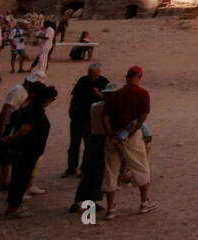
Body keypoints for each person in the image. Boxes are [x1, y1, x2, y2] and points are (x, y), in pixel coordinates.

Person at [102, 66, 157, 218]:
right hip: (131, 135)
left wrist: (111, 134)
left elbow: (105, 117)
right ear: (139, 76)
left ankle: (110, 208)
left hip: (114, 134)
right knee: (140, 166)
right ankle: (144, 202)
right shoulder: (142, 93)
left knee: (111, 170)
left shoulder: (114, 95)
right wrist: (131, 133)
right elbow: (143, 116)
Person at [2, 86, 58, 218]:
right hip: (26, 151)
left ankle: (14, 205)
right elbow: (23, 131)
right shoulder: (36, 111)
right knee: (20, 180)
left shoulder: (30, 107)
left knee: (19, 178)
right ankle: (13, 208)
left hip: (25, 150)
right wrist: (10, 138)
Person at [0, 71, 47, 192]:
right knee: (9, 154)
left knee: (7, 156)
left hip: (13, 123)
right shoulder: (20, 91)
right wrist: (4, 125)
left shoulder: (21, 90)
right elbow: (7, 107)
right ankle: (6, 182)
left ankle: (3, 181)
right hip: (11, 124)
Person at [70, 84, 111, 214]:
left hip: (92, 139)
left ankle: (79, 201)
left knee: (89, 171)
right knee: (97, 172)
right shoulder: (107, 108)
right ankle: (91, 203)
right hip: (101, 140)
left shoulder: (95, 106)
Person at [63, 63, 110, 177]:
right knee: (74, 144)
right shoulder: (82, 80)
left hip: (91, 118)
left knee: (88, 144)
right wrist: (71, 110)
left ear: (98, 74)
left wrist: (98, 93)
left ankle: (84, 168)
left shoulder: (104, 82)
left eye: (94, 75)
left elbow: (108, 100)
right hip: (78, 116)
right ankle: (71, 168)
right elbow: (74, 96)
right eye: (90, 74)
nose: (91, 77)